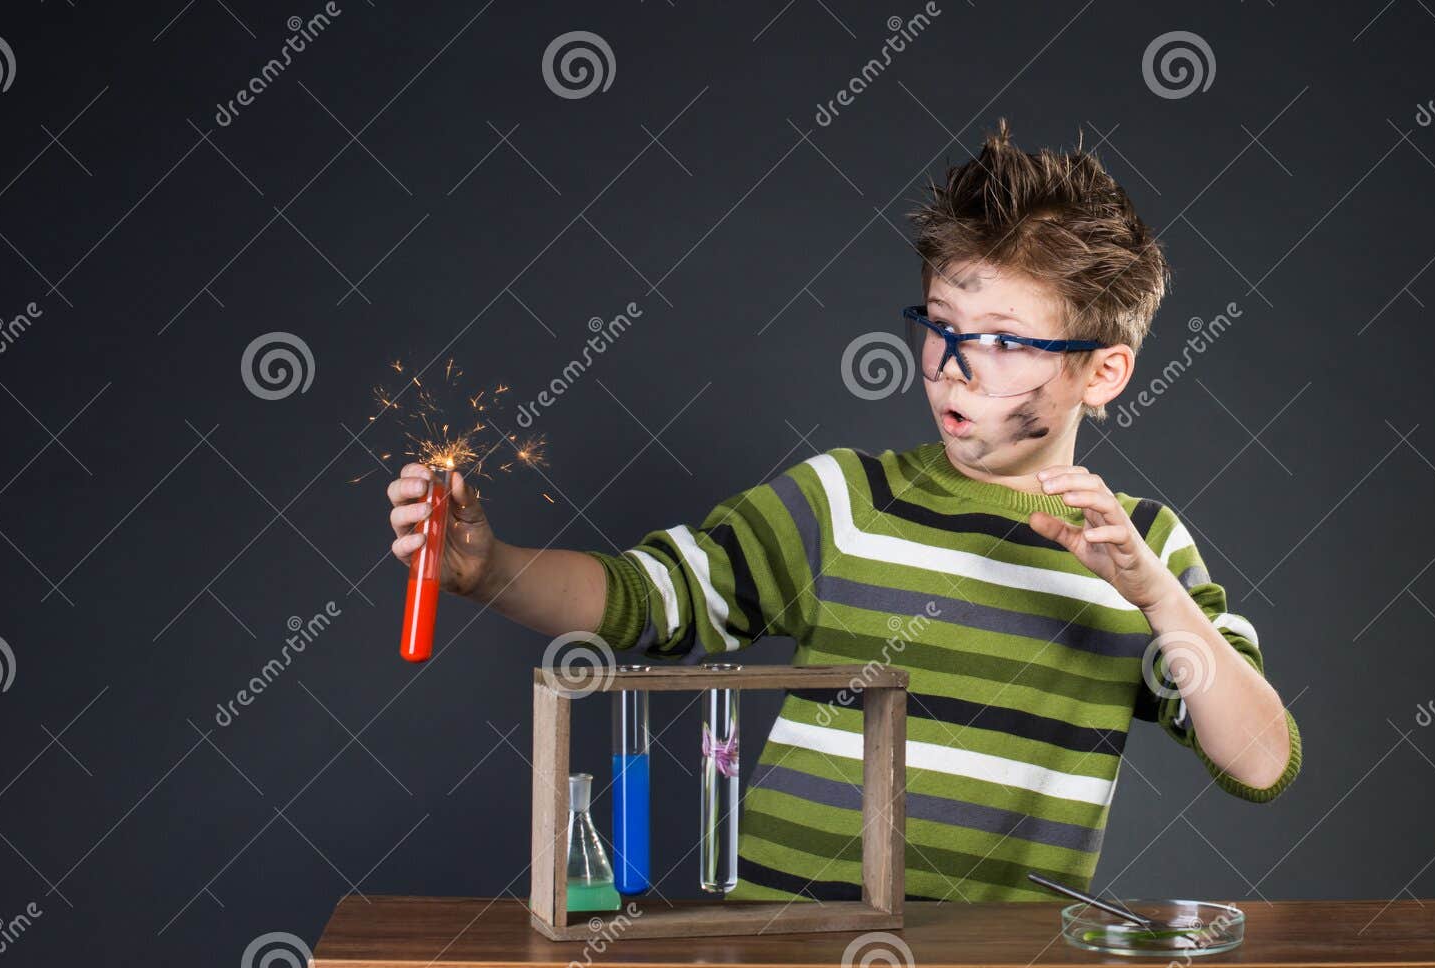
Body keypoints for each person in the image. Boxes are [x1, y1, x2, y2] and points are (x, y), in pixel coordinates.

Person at [385, 117, 1300, 903]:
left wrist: (1159, 599)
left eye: (1003, 342)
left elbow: (1261, 763)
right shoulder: (846, 501)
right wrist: (490, 567)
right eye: (940, 324)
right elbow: (642, 597)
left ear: (1101, 371)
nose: (950, 363)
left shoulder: (1139, 551)